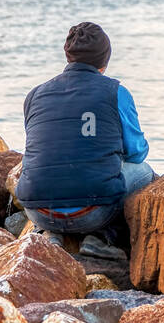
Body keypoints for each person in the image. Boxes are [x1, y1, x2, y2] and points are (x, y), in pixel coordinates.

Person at [12, 22, 155, 258]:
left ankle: (52, 235)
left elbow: (43, 148)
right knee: (144, 171)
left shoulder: (34, 95)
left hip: (37, 211)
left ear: (68, 56)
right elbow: (137, 152)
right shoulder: (116, 92)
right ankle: (102, 237)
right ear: (104, 60)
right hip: (94, 214)